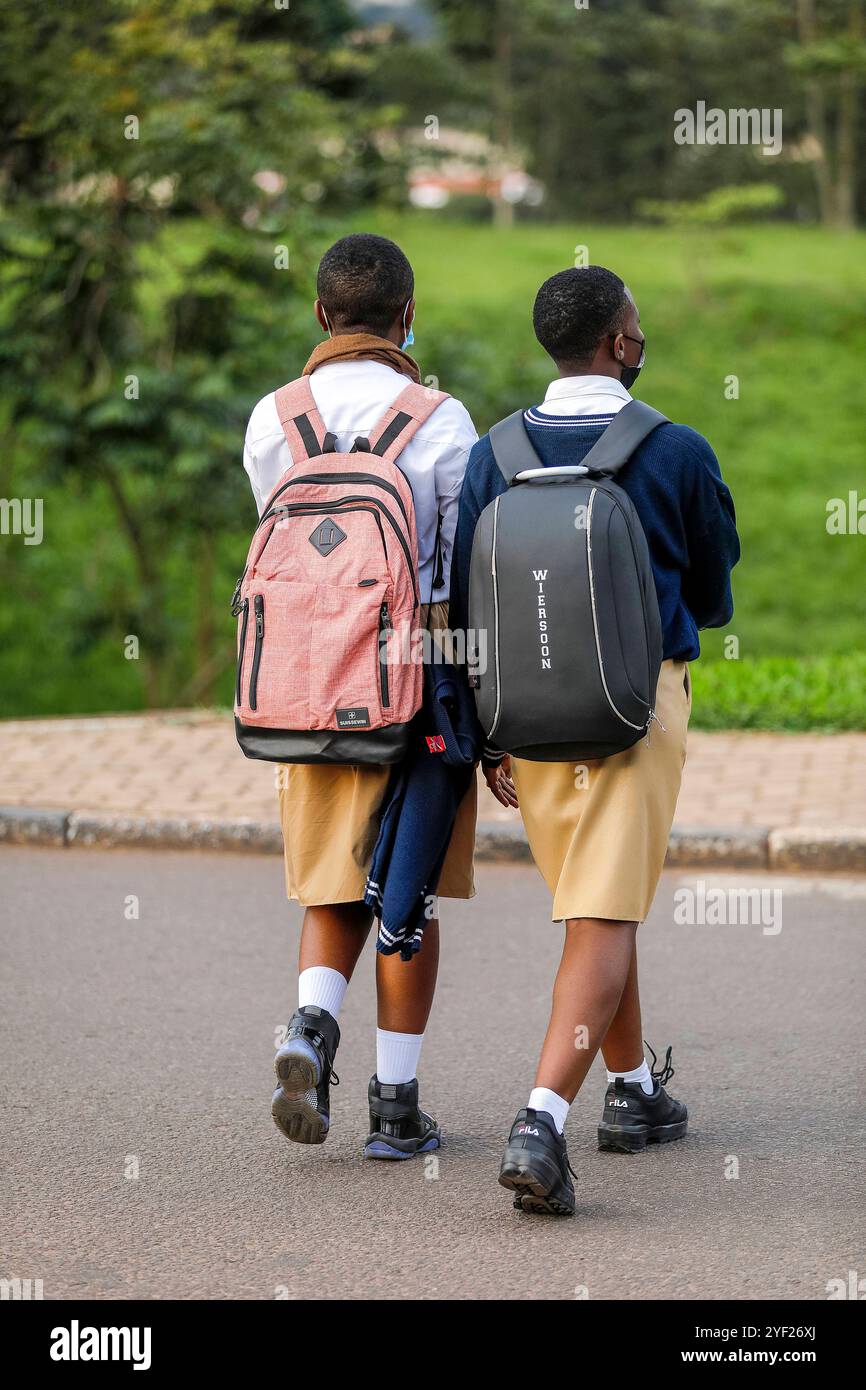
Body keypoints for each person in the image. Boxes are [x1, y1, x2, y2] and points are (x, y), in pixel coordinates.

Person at [450, 265, 740, 1215]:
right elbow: (711, 592)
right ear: (620, 343)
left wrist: (485, 726)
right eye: (638, 327)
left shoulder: (495, 454)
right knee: (605, 913)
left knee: (595, 902)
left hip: (525, 716)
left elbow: (467, 595)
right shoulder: (676, 449)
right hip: (633, 709)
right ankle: (541, 1120)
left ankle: (634, 1093)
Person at [242, 233, 478, 1159]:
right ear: (407, 316)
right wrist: (466, 710)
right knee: (405, 897)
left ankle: (308, 1027)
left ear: (319, 314)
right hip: (410, 686)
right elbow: (451, 576)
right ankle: (395, 1107)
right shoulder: (443, 420)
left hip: (299, 689)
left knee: (331, 880)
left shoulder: (274, 418)